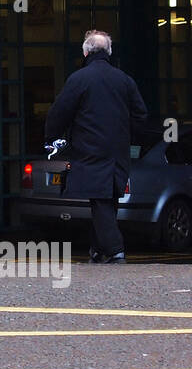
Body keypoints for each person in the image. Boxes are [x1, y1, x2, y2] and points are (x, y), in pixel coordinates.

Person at [44, 29, 148, 264]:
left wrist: (52, 138)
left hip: (90, 149)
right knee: (107, 200)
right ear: (109, 52)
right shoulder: (125, 80)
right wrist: (126, 136)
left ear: (85, 51)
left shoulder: (79, 79)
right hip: (118, 151)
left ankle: (114, 250)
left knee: (100, 199)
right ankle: (98, 249)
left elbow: (59, 112)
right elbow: (141, 115)